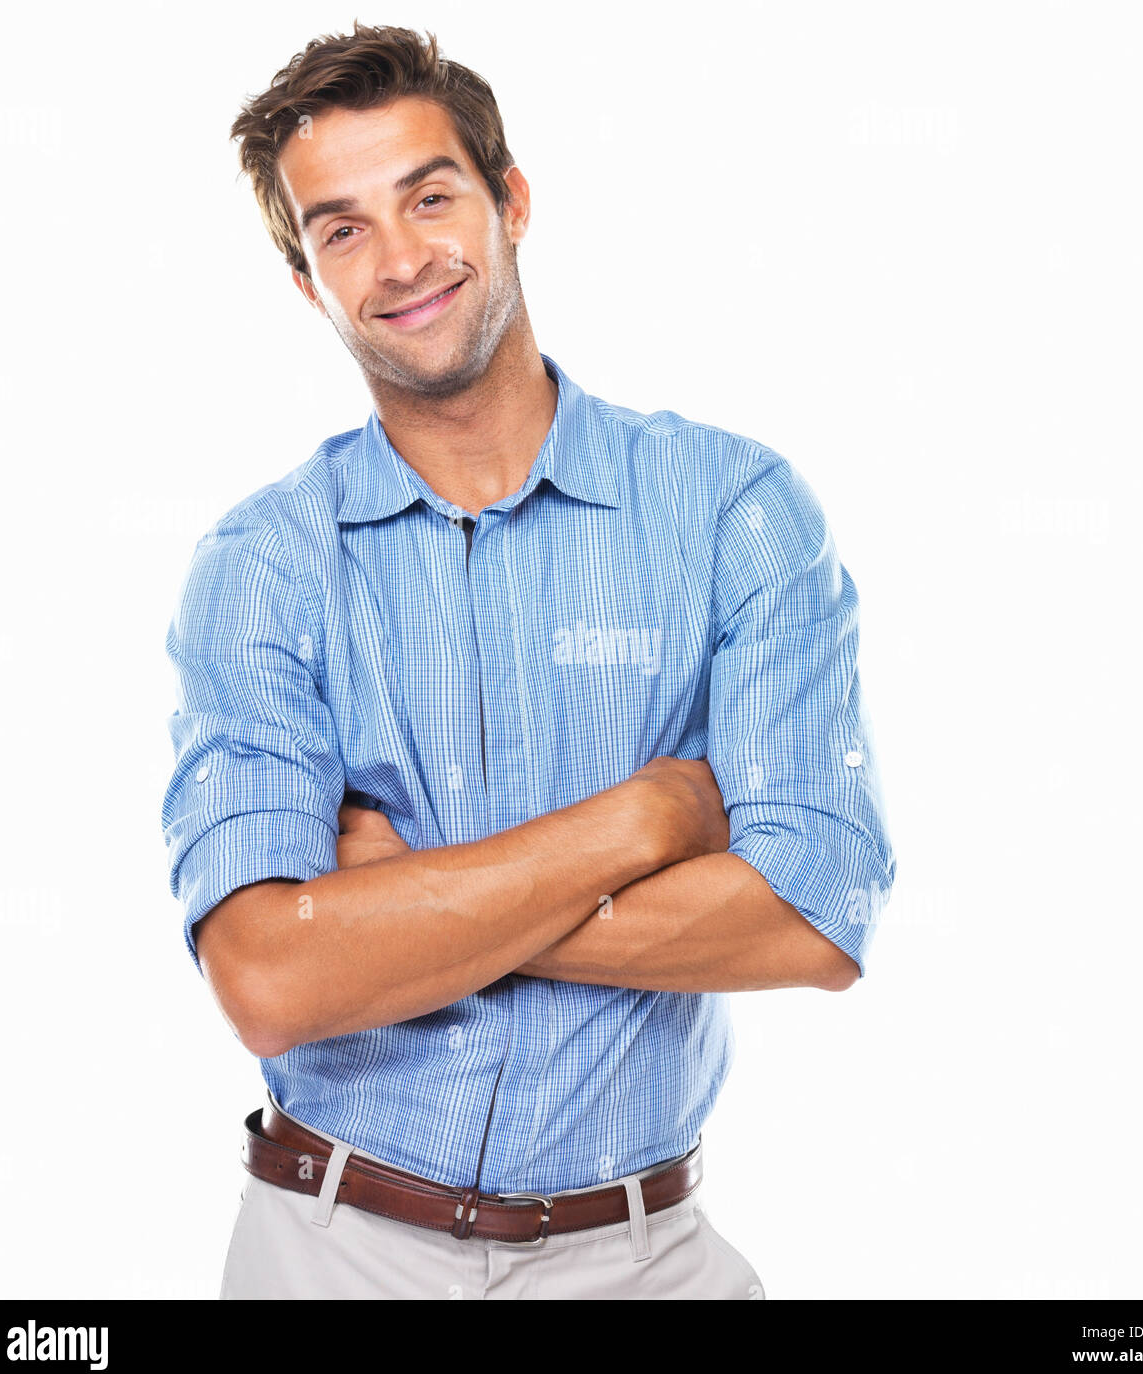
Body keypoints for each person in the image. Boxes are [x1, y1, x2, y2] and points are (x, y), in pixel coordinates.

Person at [161, 21, 896, 1301]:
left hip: (644, 1258)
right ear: (306, 283)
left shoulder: (732, 510)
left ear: (510, 200)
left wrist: (404, 910)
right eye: (340, 230)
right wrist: (643, 818)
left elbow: (814, 912)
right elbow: (273, 978)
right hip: (329, 1249)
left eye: (429, 196)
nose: (398, 261)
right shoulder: (264, 565)